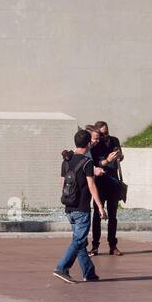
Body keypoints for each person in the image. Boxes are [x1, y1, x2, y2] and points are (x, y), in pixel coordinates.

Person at [54, 128, 107, 284]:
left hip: (69, 207)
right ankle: (62, 268)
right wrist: (100, 206)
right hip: (82, 208)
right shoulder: (87, 162)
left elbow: (62, 182)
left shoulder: (66, 160)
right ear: (88, 143)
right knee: (78, 241)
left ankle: (89, 273)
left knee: (80, 241)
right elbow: (91, 185)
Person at [88, 120, 124, 256]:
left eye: (107, 133)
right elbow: (95, 163)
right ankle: (95, 245)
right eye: (102, 134)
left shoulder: (114, 141)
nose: (105, 137)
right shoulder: (95, 145)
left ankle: (113, 245)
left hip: (113, 182)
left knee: (113, 216)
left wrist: (119, 156)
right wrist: (107, 160)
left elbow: (121, 157)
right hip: (100, 183)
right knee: (97, 215)